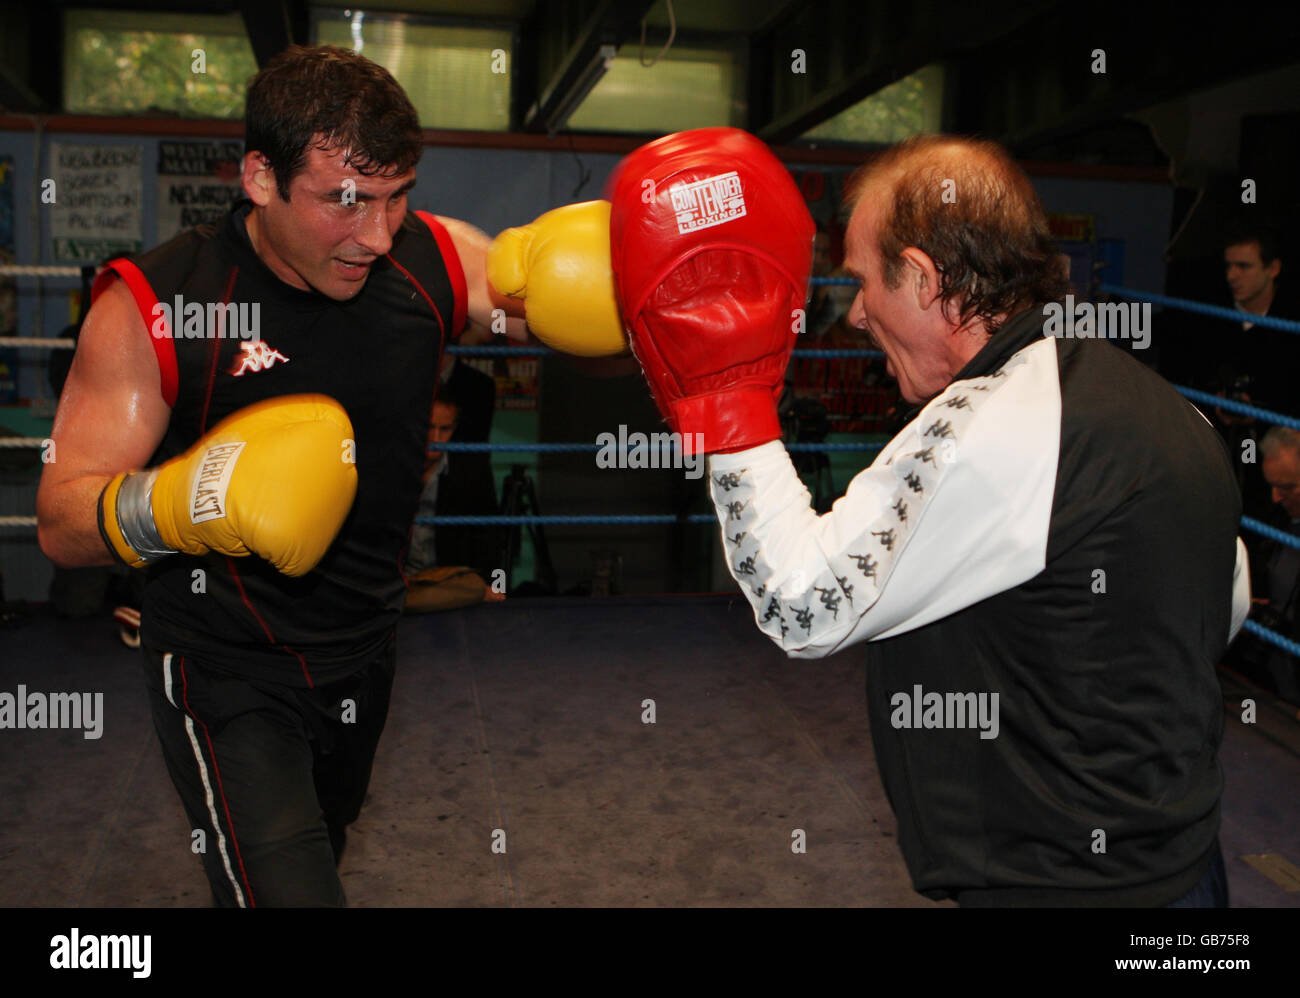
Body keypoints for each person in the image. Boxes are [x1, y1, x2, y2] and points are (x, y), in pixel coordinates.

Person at [610, 129, 1251, 907]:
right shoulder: (1166, 408)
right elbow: (1226, 598)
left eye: (861, 283)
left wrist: (728, 402)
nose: (851, 316)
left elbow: (800, 604)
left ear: (919, 277)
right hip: (1187, 876)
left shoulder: (997, 423)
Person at [35, 45, 532, 907]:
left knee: (313, 865)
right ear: (259, 176)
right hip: (224, 669)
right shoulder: (159, 304)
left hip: (365, 654)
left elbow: (573, 328)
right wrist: (177, 502)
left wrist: (646, 295)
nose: (377, 235)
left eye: (396, 197)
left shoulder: (430, 260)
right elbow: (60, 520)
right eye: (346, 201)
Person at [403, 393, 505, 613]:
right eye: (429, 427)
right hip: (401, 580)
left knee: (471, 587)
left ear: (455, 428)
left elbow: (488, 537)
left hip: (447, 582)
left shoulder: (470, 471)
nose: (435, 437)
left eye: (444, 429)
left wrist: (489, 586)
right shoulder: (398, 466)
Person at [1254, 427, 1300, 705]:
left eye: (1286, 487)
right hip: (1274, 681)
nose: (1275, 497)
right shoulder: (1276, 515)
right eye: (1272, 485)